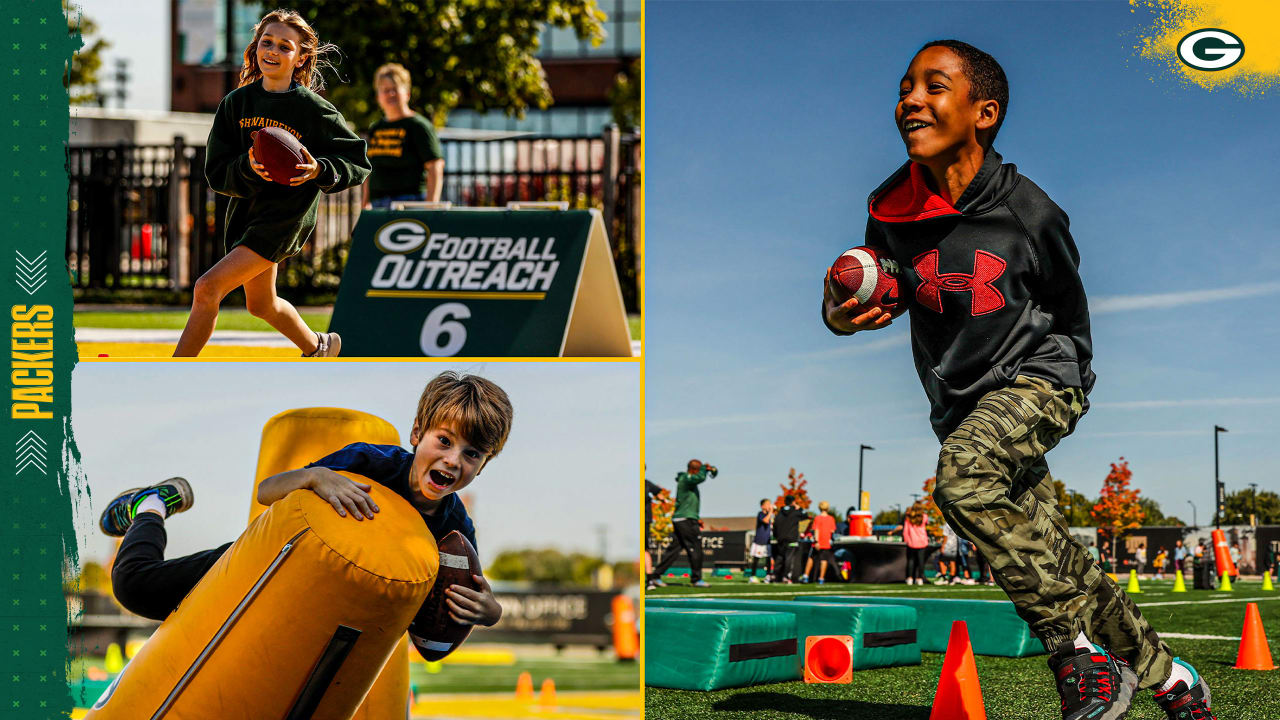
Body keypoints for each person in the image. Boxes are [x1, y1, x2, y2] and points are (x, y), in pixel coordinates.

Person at [820, 40, 1213, 719]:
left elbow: (1070, 307)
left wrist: (1064, 380)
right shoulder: (889, 209)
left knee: (964, 477)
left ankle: (1075, 656)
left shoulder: (1032, 214)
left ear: (984, 112)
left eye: (933, 86)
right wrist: (843, 317)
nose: (910, 98)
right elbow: (853, 302)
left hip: (1043, 378)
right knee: (1061, 560)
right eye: (905, 85)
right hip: (959, 404)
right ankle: (1173, 679)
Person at [101, 372, 510, 635]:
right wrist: (316, 476)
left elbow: (451, 605)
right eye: (444, 440)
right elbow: (267, 491)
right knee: (135, 588)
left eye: (472, 454)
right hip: (266, 564)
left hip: (330, 616)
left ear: (484, 464)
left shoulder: (456, 528)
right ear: (417, 433)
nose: (453, 460)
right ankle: (152, 504)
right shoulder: (369, 461)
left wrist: (489, 611)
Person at [176, 9, 371, 357]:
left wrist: (318, 170)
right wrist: (248, 166)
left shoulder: (313, 109)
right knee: (261, 305)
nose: (273, 51)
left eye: (285, 46)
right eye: (267, 42)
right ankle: (321, 346)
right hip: (246, 216)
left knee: (207, 287)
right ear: (255, 48)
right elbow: (216, 171)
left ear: (301, 58)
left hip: (284, 219)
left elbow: (357, 161)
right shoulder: (235, 104)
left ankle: (173, 370)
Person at [363, 62, 445, 209]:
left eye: (395, 89)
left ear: (407, 93)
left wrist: (430, 207)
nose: (390, 94)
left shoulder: (418, 126)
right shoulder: (376, 128)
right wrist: (365, 204)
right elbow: (369, 170)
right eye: (385, 90)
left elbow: (435, 167)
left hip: (410, 202)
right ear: (378, 97)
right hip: (378, 204)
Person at [647, 460, 718, 588]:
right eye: (698, 469)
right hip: (685, 520)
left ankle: (656, 576)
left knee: (674, 550)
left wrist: (696, 517)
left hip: (684, 518)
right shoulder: (686, 478)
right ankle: (696, 579)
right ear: (694, 470)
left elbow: (688, 503)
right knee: (696, 548)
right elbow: (700, 477)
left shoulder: (688, 481)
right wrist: (704, 469)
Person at [886, 506, 930, 585]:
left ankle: (909, 578)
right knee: (920, 561)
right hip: (922, 542)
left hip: (911, 542)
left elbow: (905, 531)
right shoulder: (924, 517)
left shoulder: (908, 519)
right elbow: (927, 521)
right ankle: (919, 578)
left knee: (911, 561)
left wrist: (907, 540)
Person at [773, 495, 804, 584]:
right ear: (793, 502)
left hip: (780, 539)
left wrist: (776, 536)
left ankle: (775, 575)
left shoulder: (780, 512)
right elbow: (805, 516)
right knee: (789, 557)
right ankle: (786, 576)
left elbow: (775, 525)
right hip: (792, 538)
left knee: (780, 557)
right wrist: (799, 509)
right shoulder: (796, 512)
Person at [807, 501, 838, 584]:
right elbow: (832, 531)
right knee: (824, 560)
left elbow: (816, 529)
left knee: (811, 558)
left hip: (818, 542)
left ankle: (806, 576)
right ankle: (821, 578)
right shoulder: (831, 519)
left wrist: (816, 541)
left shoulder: (818, 518)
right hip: (826, 542)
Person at [644, 474, 667, 587]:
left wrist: (663, 499)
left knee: (644, 550)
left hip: (644, 520)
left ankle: (649, 580)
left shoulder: (646, 483)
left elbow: (658, 492)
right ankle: (649, 580)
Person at [747, 498, 774, 583]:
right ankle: (752, 576)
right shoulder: (761, 514)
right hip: (759, 541)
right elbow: (765, 521)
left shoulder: (770, 515)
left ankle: (768, 576)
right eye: (767, 504)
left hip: (767, 541)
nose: (769, 506)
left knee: (768, 560)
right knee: (756, 559)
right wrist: (770, 512)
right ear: (762, 506)